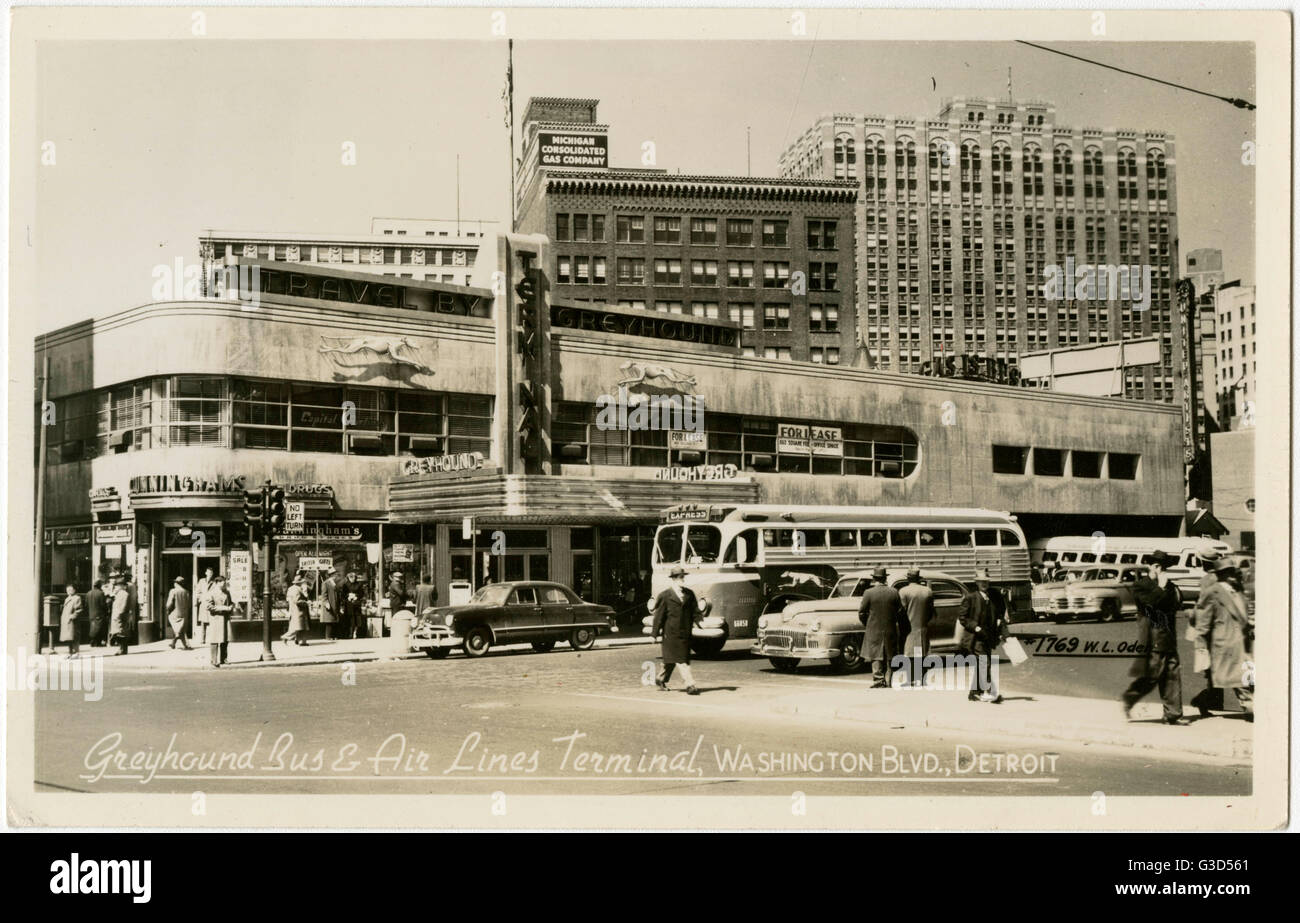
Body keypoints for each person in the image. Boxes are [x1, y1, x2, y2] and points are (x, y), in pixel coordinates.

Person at [1122, 551, 1185, 724]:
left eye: (1163, 566)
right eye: (1157, 565)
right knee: (1152, 676)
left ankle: (1172, 714)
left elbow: (1177, 603)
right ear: (1150, 566)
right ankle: (1129, 699)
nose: (1160, 569)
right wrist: (1162, 588)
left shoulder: (1169, 585)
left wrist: (1168, 587)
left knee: (1172, 675)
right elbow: (1151, 605)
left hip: (1169, 636)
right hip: (1153, 638)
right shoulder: (1140, 585)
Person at [1191, 562, 1253, 721]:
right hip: (1224, 642)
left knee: (1224, 681)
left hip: (1243, 642)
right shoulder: (1212, 592)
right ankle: (1250, 709)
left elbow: (1242, 615)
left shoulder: (1237, 591)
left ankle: (1202, 701)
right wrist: (1200, 645)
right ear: (1221, 574)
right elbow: (1202, 621)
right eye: (1228, 571)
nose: (1233, 574)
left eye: (1233, 570)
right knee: (1239, 678)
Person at [651, 565, 705, 695]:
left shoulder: (689, 594)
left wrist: (700, 622)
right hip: (670, 634)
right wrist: (654, 634)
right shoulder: (665, 595)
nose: (683, 580)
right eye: (681, 577)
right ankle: (690, 685)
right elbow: (659, 617)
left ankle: (660, 678)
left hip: (685, 632)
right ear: (674, 579)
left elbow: (695, 611)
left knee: (672, 661)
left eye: (683, 577)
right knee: (682, 660)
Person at [960, 569, 1006, 703]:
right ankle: (988, 691)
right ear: (977, 583)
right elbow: (963, 618)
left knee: (982, 664)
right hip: (975, 637)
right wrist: (975, 626)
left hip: (988, 637)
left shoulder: (992, 597)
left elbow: (998, 614)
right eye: (981, 582)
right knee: (984, 663)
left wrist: (1000, 628)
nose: (984, 584)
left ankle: (974, 693)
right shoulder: (970, 598)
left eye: (986, 582)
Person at [858, 566, 905, 688]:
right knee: (890, 654)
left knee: (876, 655)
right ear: (885, 578)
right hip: (890, 629)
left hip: (873, 629)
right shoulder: (894, 592)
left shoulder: (868, 593)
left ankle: (878, 681)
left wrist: (868, 623)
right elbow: (900, 611)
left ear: (874, 579)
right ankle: (889, 680)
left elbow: (862, 612)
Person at [898, 568, 936, 684]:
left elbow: (901, 611)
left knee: (909, 654)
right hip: (922, 626)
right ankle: (921, 678)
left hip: (909, 627)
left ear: (908, 578)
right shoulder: (927, 591)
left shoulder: (903, 591)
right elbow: (931, 611)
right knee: (921, 652)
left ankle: (910, 679)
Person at [206, 574, 235, 667]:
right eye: (222, 582)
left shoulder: (227, 593)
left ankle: (223, 658)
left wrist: (231, 607)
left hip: (225, 619)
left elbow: (231, 603)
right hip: (215, 619)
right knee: (214, 640)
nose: (224, 584)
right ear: (217, 583)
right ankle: (213, 660)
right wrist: (223, 608)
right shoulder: (211, 593)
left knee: (225, 639)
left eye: (224, 583)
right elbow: (209, 606)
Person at [165, 575, 193, 650]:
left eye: (175, 582)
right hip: (184, 614)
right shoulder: (187, 592)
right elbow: (189, 604)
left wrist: (167, 609)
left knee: (177, 628)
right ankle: (176, 643)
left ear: (177, 583)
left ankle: (177, 635)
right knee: (182, 630)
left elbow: (169, 603)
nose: (174, 583)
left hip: (175, 613)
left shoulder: (173, 591)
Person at [108, 572, 132, 655]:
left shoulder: (124, 594)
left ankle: (122, 649)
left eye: (117, 585)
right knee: (119, 633)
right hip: (117, 617)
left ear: (122, 586)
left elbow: (123, 606)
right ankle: (122, 649)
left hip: (120, 617)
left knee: (121, 633)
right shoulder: (118, 594)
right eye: (116, 585)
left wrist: (119, 614)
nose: (116, 587)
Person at [283, 572, 310, 646]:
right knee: (298, 627)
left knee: (300, 627)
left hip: (294, 610)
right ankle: (286, 637)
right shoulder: (297, 589)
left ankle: (301, 641)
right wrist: (306, 602)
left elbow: (288, 599)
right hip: (299, 610)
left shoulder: (291, 588)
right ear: (299, 583)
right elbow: (297, 601)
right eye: (302, 582)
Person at [59, 584, 84, 657]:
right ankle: (70, 652)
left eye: (70, 589)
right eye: (67, 590)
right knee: (68, 638)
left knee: (74, 637)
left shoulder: (77, 598)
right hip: (66, 621)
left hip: (73, 621)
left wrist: (73, 616)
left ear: (74, 590)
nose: (68, 591)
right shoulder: (67, 599)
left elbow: (79, 609)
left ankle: (76, 652)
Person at [195, 565, 215, 645]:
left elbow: (215, 592)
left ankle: (212, 638)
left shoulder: (214, 582)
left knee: (212, 621)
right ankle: (202, 639)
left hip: (210, 604)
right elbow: (197, 591)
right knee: (203, 623)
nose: (210, 574)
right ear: (206, 573)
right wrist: (200, 599)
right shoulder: (201, 581)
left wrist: (211, 599)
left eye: (211, 573)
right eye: (208, 572)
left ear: (212, 574)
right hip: (203, 604)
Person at [319, 567, 340, 640]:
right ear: (331, 575)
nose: (336, 576)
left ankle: (333, 636)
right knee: (329, 621)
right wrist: (326, 603)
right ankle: (328, 636)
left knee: (334, 621)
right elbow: (324, 595)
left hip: (335, 604)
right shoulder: (325, 583)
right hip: (329, 604)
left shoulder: (335, 583)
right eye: (335, 575)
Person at [343, 572, 365, 639]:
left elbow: (362, 593)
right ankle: (350, 632)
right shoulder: (345, 585)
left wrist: (357, 596)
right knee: (349, 618)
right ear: (348, 578)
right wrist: (348, 596)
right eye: (351, 577)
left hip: (356, 604)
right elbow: (343, 594)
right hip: (349, 604)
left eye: (354, 577)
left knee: (357, 619)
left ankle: (355, 632)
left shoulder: (359, 584)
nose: (353, 579)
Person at [87, 579, 108, 647]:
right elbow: (103, 605)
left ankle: (92, 641)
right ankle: (97, 642)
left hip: (91, 614)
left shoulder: (88, 593)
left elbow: (86, 604)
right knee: (99, 628)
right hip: (99, 614)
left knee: (92, 627)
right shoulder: (101, 593)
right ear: (99, 586)